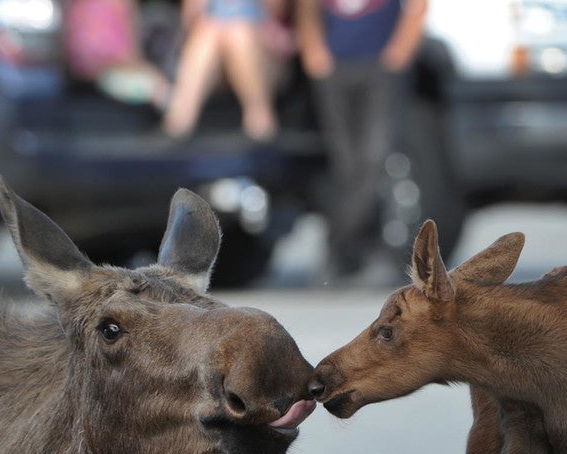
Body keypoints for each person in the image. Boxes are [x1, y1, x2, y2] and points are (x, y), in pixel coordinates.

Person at [295, 0, 427, 282]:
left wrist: (402, 47)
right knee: (345, 163)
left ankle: (340, 246)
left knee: (375, 158)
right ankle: (359, 251)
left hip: (380, 64)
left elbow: (418, 6)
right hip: (335, 65)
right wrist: (313, 47)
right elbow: (306, 7)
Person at [163, 0, 285, 141]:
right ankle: (179, 122)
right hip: (212, 61)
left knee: (238, 33)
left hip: (263, 60)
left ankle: (260, 122)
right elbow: (189, 23)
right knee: (209, 31)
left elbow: (275, 17)